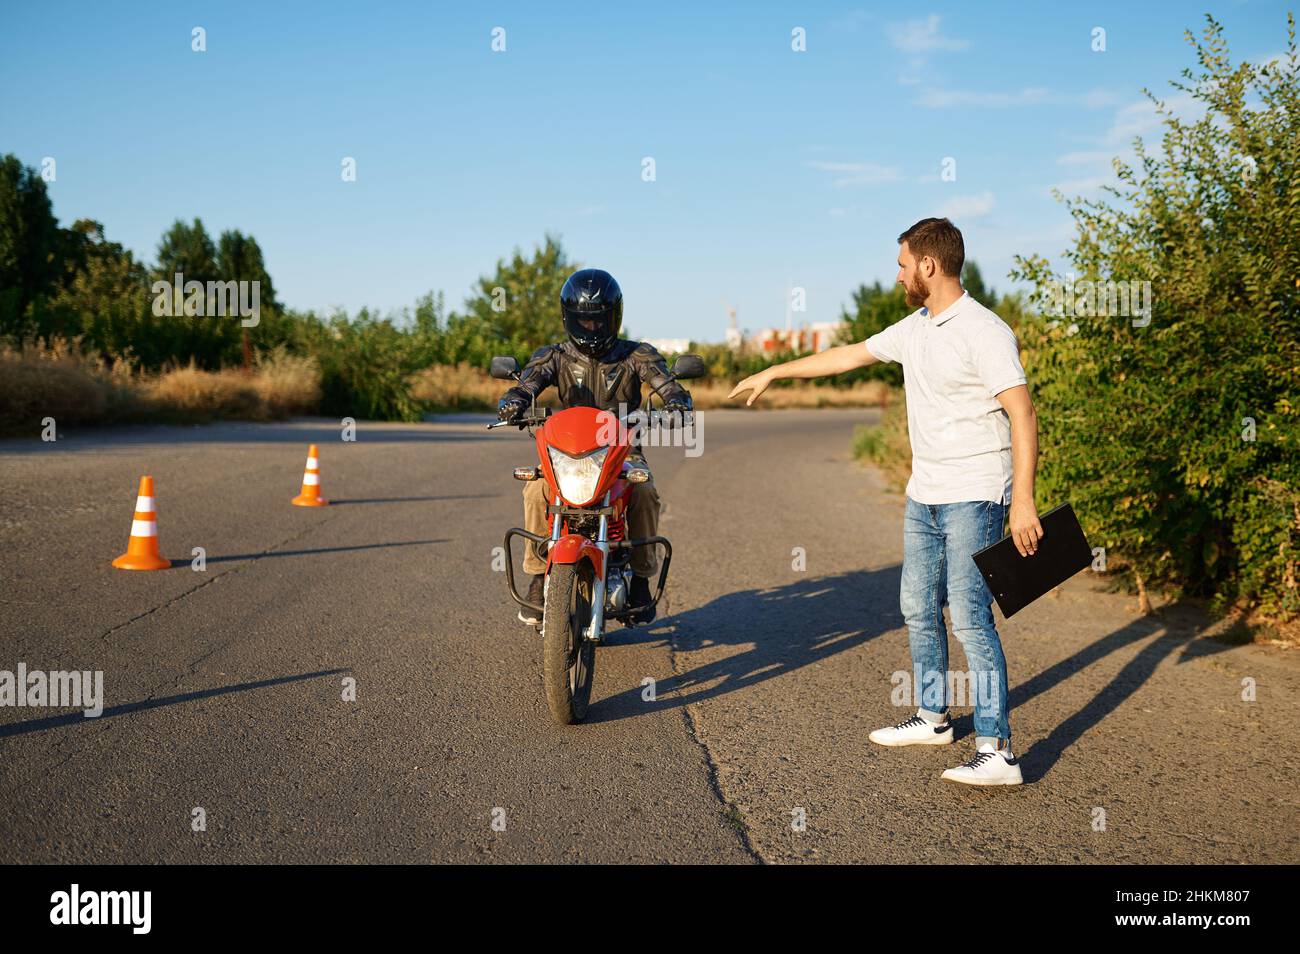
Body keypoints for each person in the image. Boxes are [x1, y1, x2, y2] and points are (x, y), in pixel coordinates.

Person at [728, 217, 1041, 787]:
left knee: (970, 617)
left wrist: (1022, 500)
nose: (897, 276)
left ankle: (997, 750)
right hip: (924, 495)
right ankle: (934, 717)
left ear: (929, 265)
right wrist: (775, 371)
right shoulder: (916, 328)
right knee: (917, 607)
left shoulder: (984, 330)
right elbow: (846, 356)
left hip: (975, 495)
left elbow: (1022, 413)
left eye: (902, 265)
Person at [498, 267, 693, 626]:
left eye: (598, 320)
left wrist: (677, 402)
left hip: (622, 451)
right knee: (535, 490)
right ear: (568, 318)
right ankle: (538, 576)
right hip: (567, 451)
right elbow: (528, 384)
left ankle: (641, 578)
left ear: (614, 317)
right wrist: (514, 400)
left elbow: (666, 385)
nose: (591, 328)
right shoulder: (554, 356)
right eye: (583, 320)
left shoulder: (637, 355)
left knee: (644, 491)